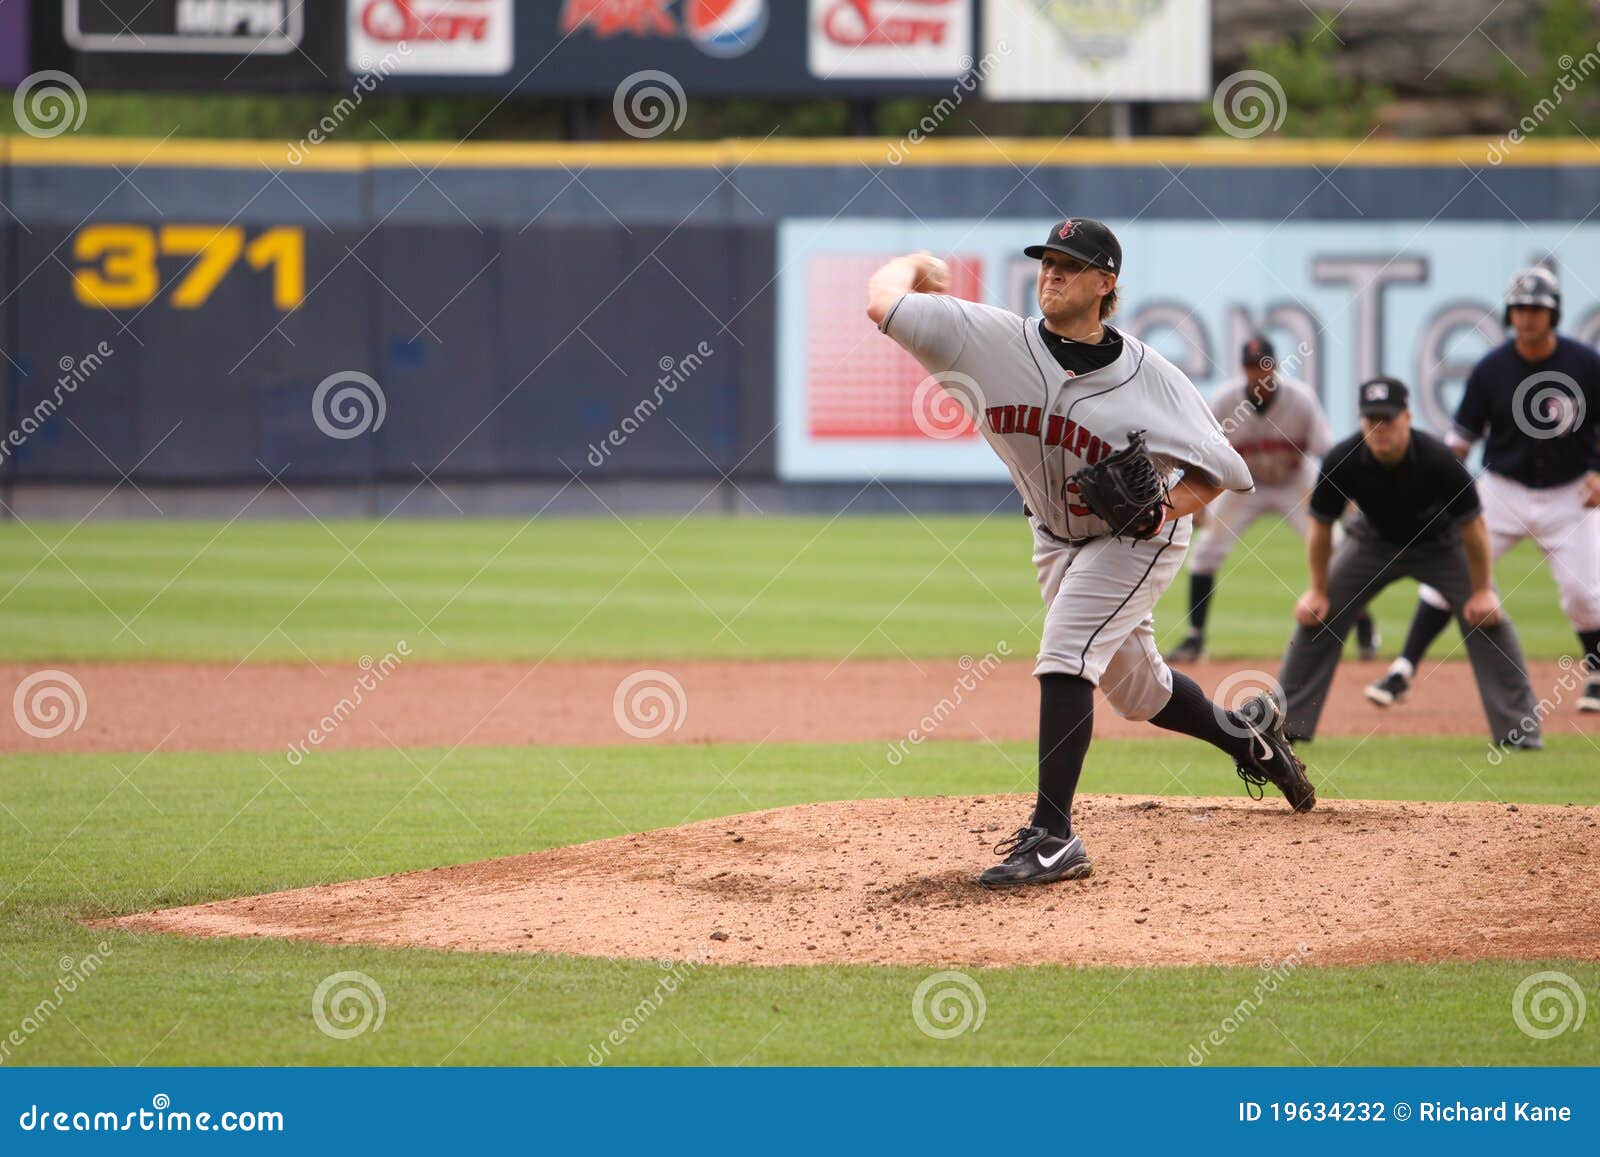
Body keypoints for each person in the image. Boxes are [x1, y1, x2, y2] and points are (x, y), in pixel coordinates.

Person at [867, 218, 1315, 890]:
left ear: (1106, 283)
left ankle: (1053, 836)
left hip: (1140, 538)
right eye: (1047, 260)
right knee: (1139, 691)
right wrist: (914, 262)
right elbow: (882, 302)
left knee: (1066, 647)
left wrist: (1163, 508)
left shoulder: (1153, 379)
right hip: (1054, 537)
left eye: (1071, 264)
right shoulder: (987, 339)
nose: (1052, 272)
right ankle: (1250, 737)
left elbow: (1224, 472)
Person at [1366, 268, 1600, 713]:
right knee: (1446, 577)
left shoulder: (1585, 363)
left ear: (1554, 315)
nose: (1528, 318)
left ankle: (1596, 674)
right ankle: (1403, 670)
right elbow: (1460, 441)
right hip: (1503, 491)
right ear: (1510, 314)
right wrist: (1434, 484)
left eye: (1537, 310)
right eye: (1521, 309)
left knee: (1585, 593)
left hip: (1570, 493)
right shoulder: (1493, 368)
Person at [1279, 376, 1540, 746]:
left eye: (1388, 419)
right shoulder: (1342, 459)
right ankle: (1287, 727)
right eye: (1372, 421)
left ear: (1408, 417)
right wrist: (1316, 590)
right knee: (1318, 615)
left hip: (1441, 544)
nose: (1380, 429)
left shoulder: (1439, 459)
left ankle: (1520, 733)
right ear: (1361, 422)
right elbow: (1320, 527)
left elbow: (1475, 527)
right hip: (1372, 542)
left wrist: (1482, 590)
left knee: (1488, 618)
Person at [1167, 336, 1379, 663]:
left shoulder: (1301, 399)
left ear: (1276, 367)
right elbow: (1204, 455)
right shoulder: (1225, 402)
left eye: (1263, 367)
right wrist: (1199, 501)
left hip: (1294, 482)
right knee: (1206, 552)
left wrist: (1347, 499)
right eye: (1252, 368)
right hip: (1243, 484)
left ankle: (1363, 624)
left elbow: (1327, 453)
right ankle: (1195, 638)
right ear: (1242, 370)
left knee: (1335, 551)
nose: (1258, 375)